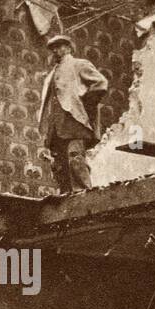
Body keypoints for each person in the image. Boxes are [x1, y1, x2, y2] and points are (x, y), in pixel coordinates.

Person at [38, 34, 108, 192]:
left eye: (60, 46)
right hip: (56, 127)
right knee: (59, 167)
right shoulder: (50, 76)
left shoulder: (79, 65)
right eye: (53, 48)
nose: (56, 50)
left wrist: (85, 103)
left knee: (75, 159)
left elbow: (101, 84)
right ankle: (66, 197)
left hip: (74, 123)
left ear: (69, 48)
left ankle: (84, 194)